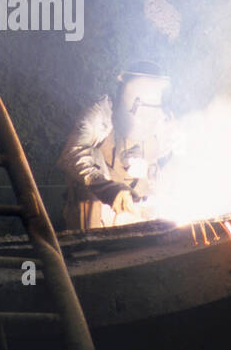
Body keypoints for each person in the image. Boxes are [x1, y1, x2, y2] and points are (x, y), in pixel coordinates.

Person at [57, 61, 176, 229]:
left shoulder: (161, 122)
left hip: (141, 217)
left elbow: (173, 159)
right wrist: (107, 189)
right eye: (143, 115)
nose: (147, 121)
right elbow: (71, 155)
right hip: (98, 219)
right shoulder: (100, 116)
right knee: (93, 158)